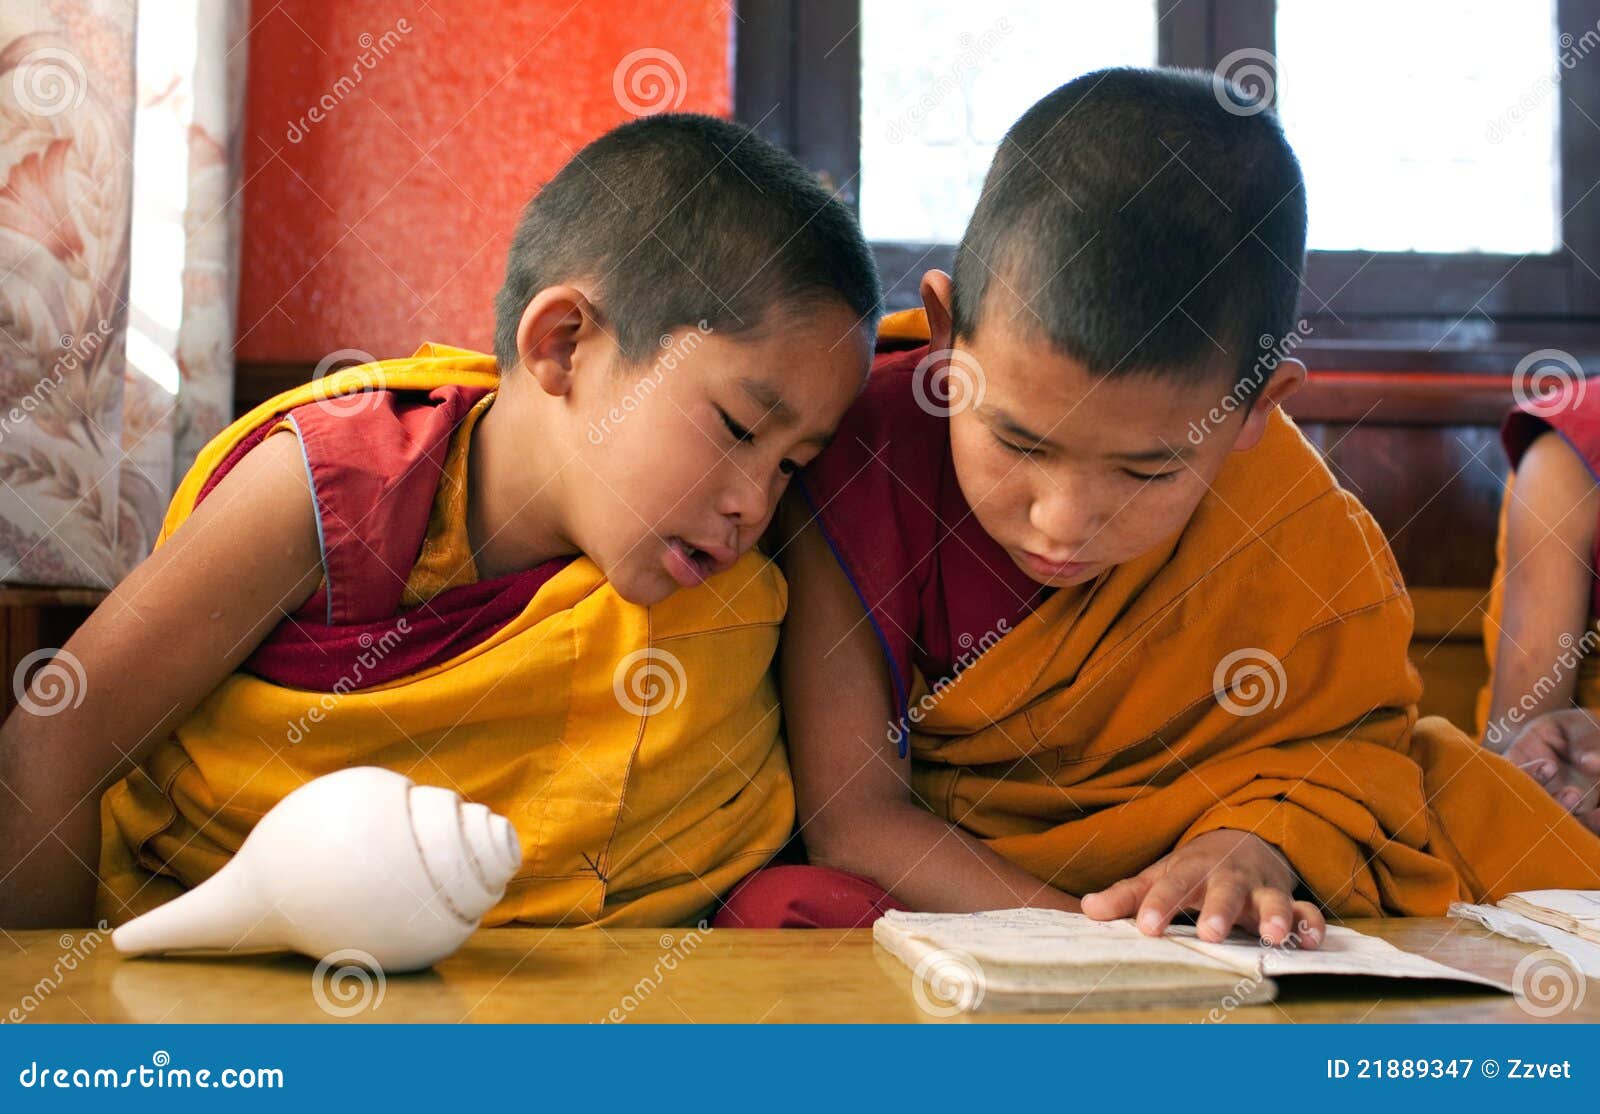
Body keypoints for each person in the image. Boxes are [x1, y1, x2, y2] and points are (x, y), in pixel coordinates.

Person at [717, 68, 1600, 939]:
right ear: (947, 337)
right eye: (1020, 443)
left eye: (1145, 474)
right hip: (963, 886)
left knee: (1463, 811)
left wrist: (1252, 845)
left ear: (1255, 407)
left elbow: (1344, 761)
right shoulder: (862, 452)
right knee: (789, 909)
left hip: (1186, 906)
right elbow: (854, 816)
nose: (1061, 521)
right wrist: (1093, 941)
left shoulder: (1289, 523)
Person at [0, 113, 881, 931]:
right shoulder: (340, 488)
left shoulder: (732, 568)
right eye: (736, 429)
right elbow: (54, 745)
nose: (756, 503)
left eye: (792, 465)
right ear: (563, 345)